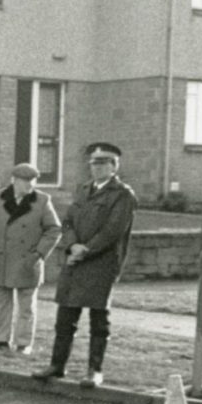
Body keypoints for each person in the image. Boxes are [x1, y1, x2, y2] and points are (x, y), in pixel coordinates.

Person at [33, 141, 136, 388]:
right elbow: (67, 223)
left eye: (102, 164)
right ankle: (57, 365)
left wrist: (85, 250)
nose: (96, 169)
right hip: (76, 261)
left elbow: (113, 230)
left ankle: (94, 370)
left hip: (101, 262)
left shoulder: (122, 195)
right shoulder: (83, 190)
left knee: (99, 320)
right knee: (65, 316)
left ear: (114, 166)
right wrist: (72, 246)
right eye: (93, 164)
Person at [0, 162, 62, 355]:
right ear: (14, 180)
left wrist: (38, 254)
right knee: (1, 301)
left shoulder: (42, 200)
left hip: (28, 261)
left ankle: (23, 343)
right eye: (25, 181)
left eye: (33, 181)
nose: (30, 185)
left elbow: (54, 230)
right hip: (3, 259)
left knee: (26, 306)